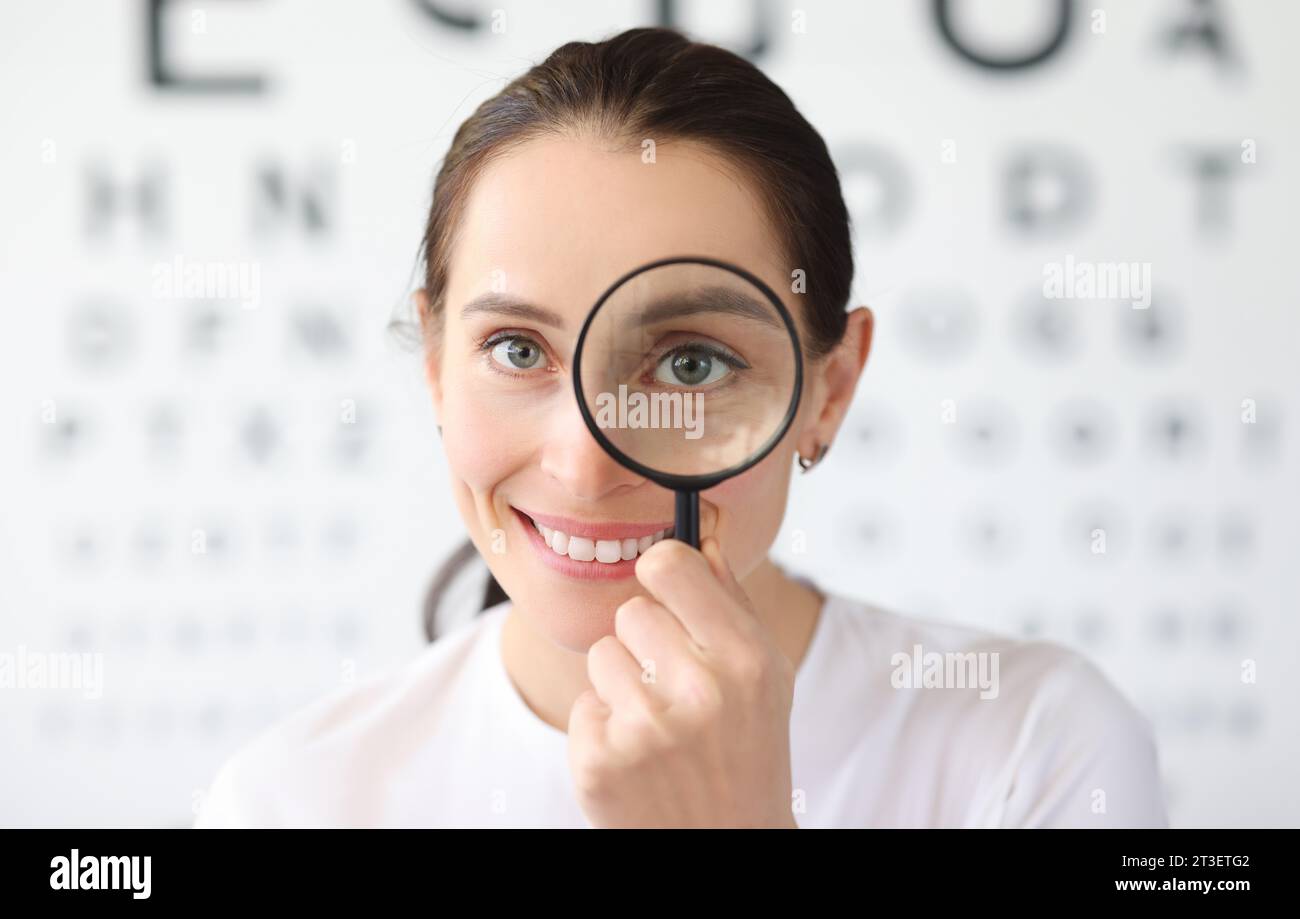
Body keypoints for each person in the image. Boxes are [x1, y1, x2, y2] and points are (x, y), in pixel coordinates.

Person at [194, 26, 1167, 829]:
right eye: (518, 351)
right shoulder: (290, 802)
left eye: (690, 363)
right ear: (435, 367)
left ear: (828, 389)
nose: (582, 465)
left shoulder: (1032, 745)